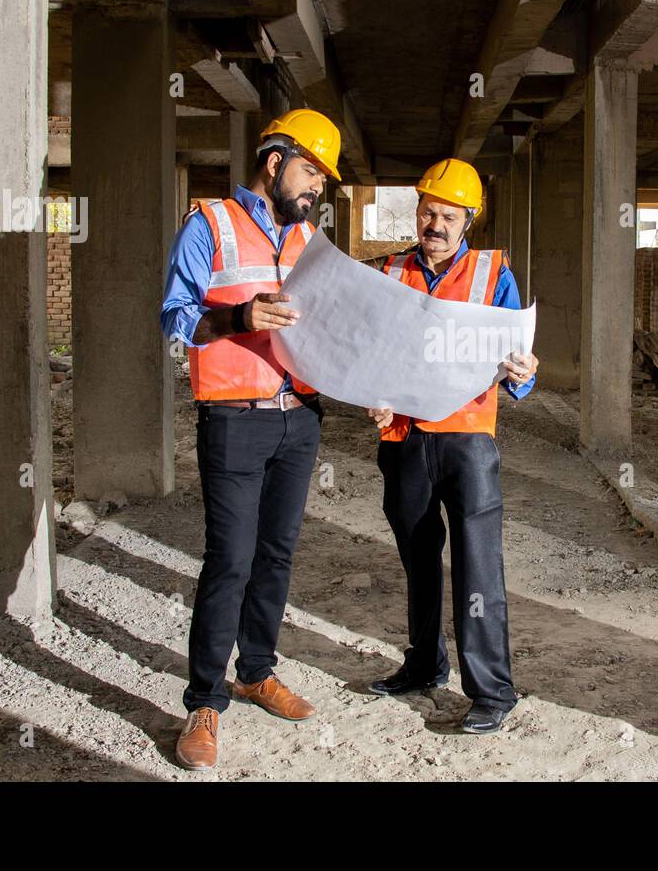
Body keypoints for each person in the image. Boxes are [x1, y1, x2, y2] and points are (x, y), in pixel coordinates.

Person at [160, 109, 341, 770]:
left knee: (275, 557)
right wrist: (237, 316)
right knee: (230, 561)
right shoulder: (208, 225)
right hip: (234, 419)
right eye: (311, 170)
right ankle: (205, 701)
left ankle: (256, 670)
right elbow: (176, 322)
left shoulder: (307, 240)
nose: (317, 186)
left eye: (324, 178)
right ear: (274, 161)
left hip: (299, 420)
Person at [366, 157, 538, 734]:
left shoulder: (494, 276)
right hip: (406, 439)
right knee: (418, 560)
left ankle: (491, 690)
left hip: (468, 442)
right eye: (427, 211)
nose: (434, 224)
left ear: (469, 221)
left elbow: (519, 362)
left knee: (477, 568)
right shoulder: (389, 273)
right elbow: (374, 352)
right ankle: (422, 665)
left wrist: (525, 371)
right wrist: (375, 393)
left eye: (448, 215)